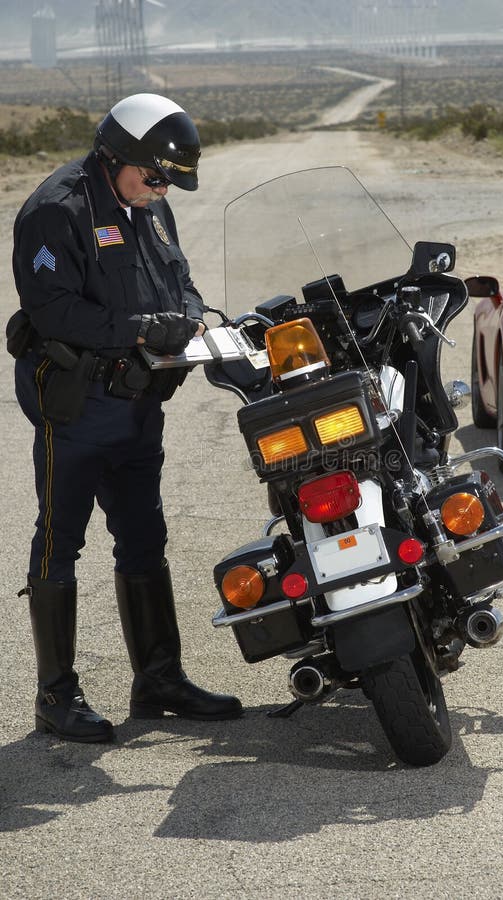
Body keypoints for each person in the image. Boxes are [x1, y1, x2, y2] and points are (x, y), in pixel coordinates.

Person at [10, 93, 242, 743]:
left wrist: (190, 321)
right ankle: (55, 697)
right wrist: (145, 328)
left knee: (144, 539)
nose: (162, 190)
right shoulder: (56, 211)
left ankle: (159, 680)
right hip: (78, 407)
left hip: (140, 405)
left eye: (170, 180)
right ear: (117, 156)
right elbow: (55, 313)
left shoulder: (151, 206)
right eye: (155, 175)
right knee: (60, 544)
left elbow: (181, 282)